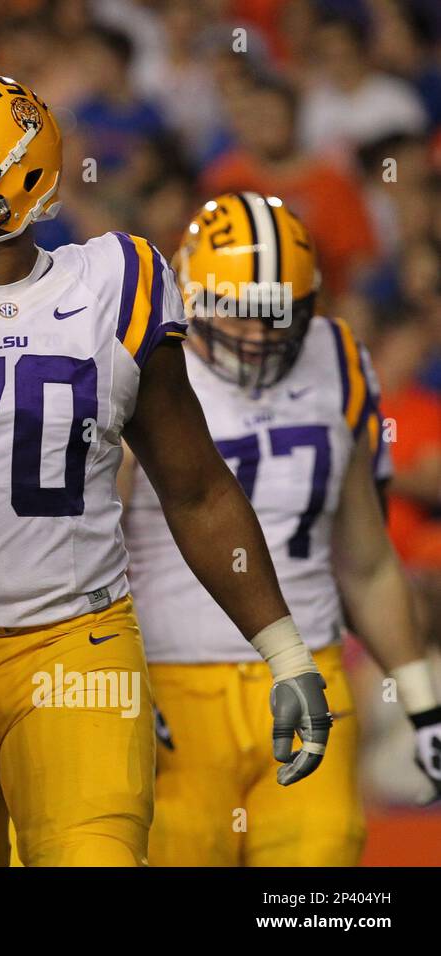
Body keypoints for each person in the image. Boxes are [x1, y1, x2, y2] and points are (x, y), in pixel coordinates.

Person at [0, 71, 331, 866]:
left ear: (23, 175)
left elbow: (198, 488)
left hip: (77, 639)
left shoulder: (114, 284)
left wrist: (282, 648)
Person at [122, 192, 441, 865]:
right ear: (194, 294)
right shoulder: (146, 355)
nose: (259, 333)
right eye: (239, 311)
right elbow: (95, 543)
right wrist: (117, 682)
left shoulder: (338, 354)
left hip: (311, 675)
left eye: (279, 314)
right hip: (171, 681)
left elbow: (367, 561)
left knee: (311, 896)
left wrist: (423, 702)